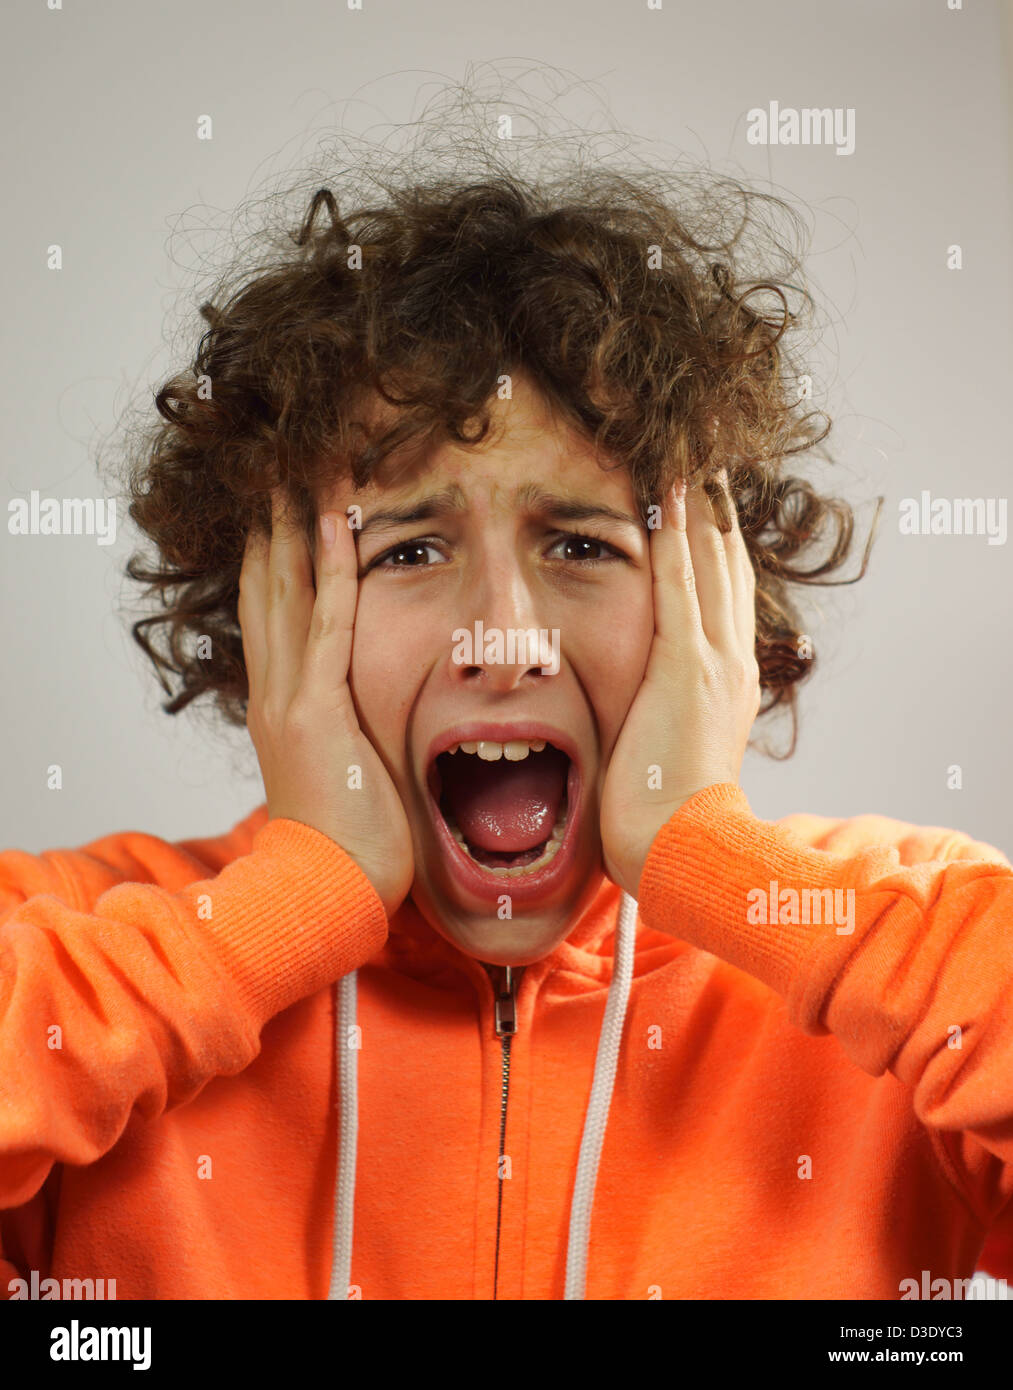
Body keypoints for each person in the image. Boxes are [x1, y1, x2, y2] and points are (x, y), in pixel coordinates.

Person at [2, 163, 1011, 1303]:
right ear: (266, 609)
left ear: (714, 608)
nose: (504, 638)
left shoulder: (886, 944)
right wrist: (273, 918)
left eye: (579, 544)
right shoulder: (80, 947)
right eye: (408, 552)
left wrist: (713, 862)